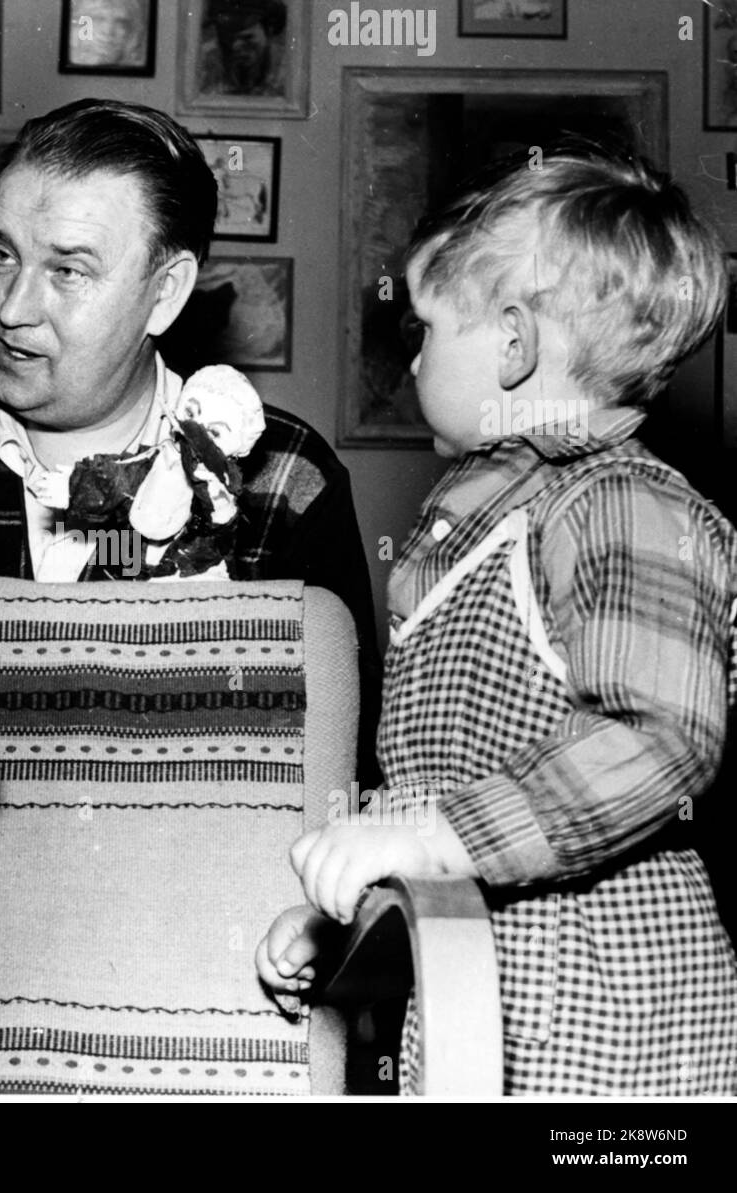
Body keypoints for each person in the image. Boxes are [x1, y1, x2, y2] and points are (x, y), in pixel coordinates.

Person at [258, 148, 737, 1095]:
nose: (415, 353)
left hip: (603, 1018)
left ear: (513, 346)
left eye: (428, 328)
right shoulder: (487, 519)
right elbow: (448, 785)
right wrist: (349, 910)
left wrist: (431, 839)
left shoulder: (621, 505)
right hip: (481, 990)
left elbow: (661, 739)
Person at [0, 98, 383, 783]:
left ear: (166, 293)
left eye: (68, 270)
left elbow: (341, 771)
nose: (10, 309)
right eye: (2, 255)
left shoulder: (286, 480)